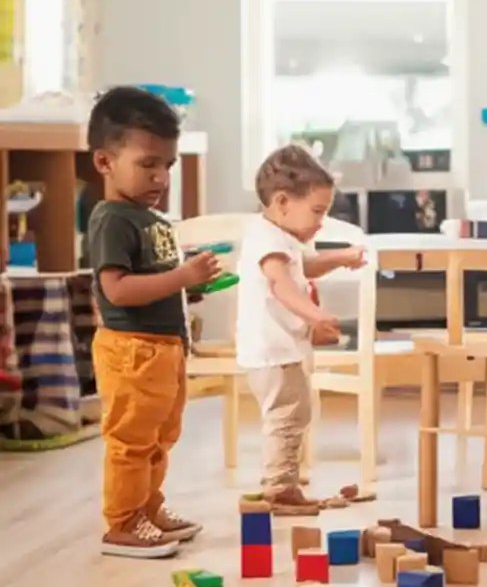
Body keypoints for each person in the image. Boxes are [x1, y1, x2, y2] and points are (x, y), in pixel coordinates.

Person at [88, 87, 221, 558]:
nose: (161, 177)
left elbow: (155, 280)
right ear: (105, 162)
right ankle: (123, 523)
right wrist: (182, 277)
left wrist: (189, 285)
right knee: (131, 440)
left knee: (159, 437)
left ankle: (147, 508)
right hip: (132, 350)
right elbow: (118, 290)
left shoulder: (153, 220)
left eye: (168, 164)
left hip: (163, 348)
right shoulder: (112, 220)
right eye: (148, 164)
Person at [236, 145, 364, 514]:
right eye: (317, 211)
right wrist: (314, 315)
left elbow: (303, 267)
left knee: (294, 412)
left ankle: (282, 483)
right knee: (288, 416)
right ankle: (280, 488)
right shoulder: (267, 240)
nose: (321, 222)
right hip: (272, 350)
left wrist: (340, 257)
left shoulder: (279, 238)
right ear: (282, 202)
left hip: (277, 349)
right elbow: (281, 284)